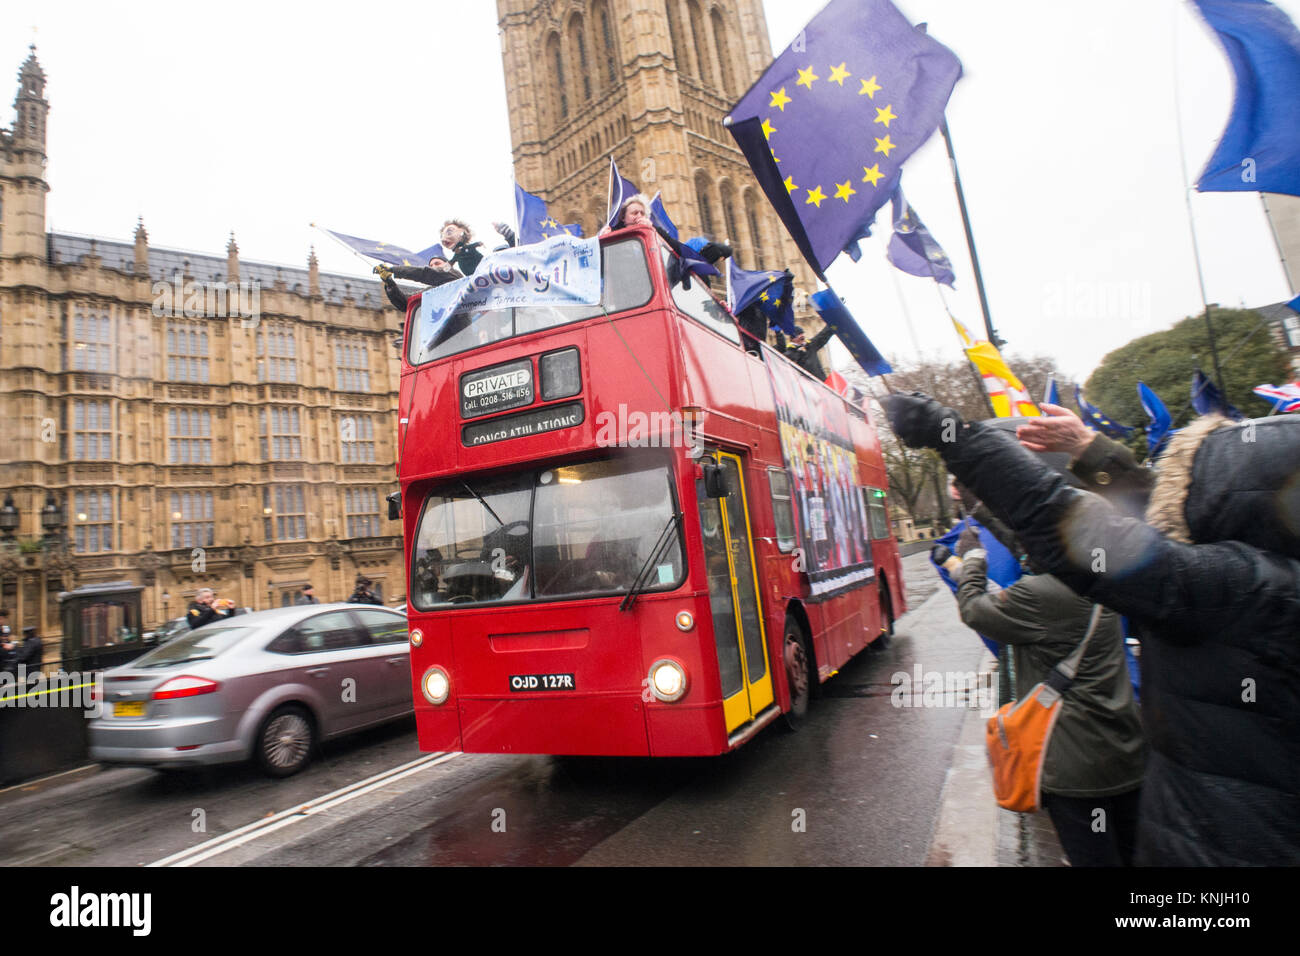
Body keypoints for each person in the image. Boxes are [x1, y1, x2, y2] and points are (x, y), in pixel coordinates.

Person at [886, 391, 1300, 866]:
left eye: (1196, 484)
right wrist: (1089, 448)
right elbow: (1161, 515)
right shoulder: (1269, 574)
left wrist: (956, 437)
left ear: (1234, 503)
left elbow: (1062, 520)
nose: (1178, 497)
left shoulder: (1239, 590)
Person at [935, 513, 1144, 866]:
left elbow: (974, 609)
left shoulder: (1039, 595)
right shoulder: (1100, 579)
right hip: (1126, 753)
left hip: (1075, 769)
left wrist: (972, 558)